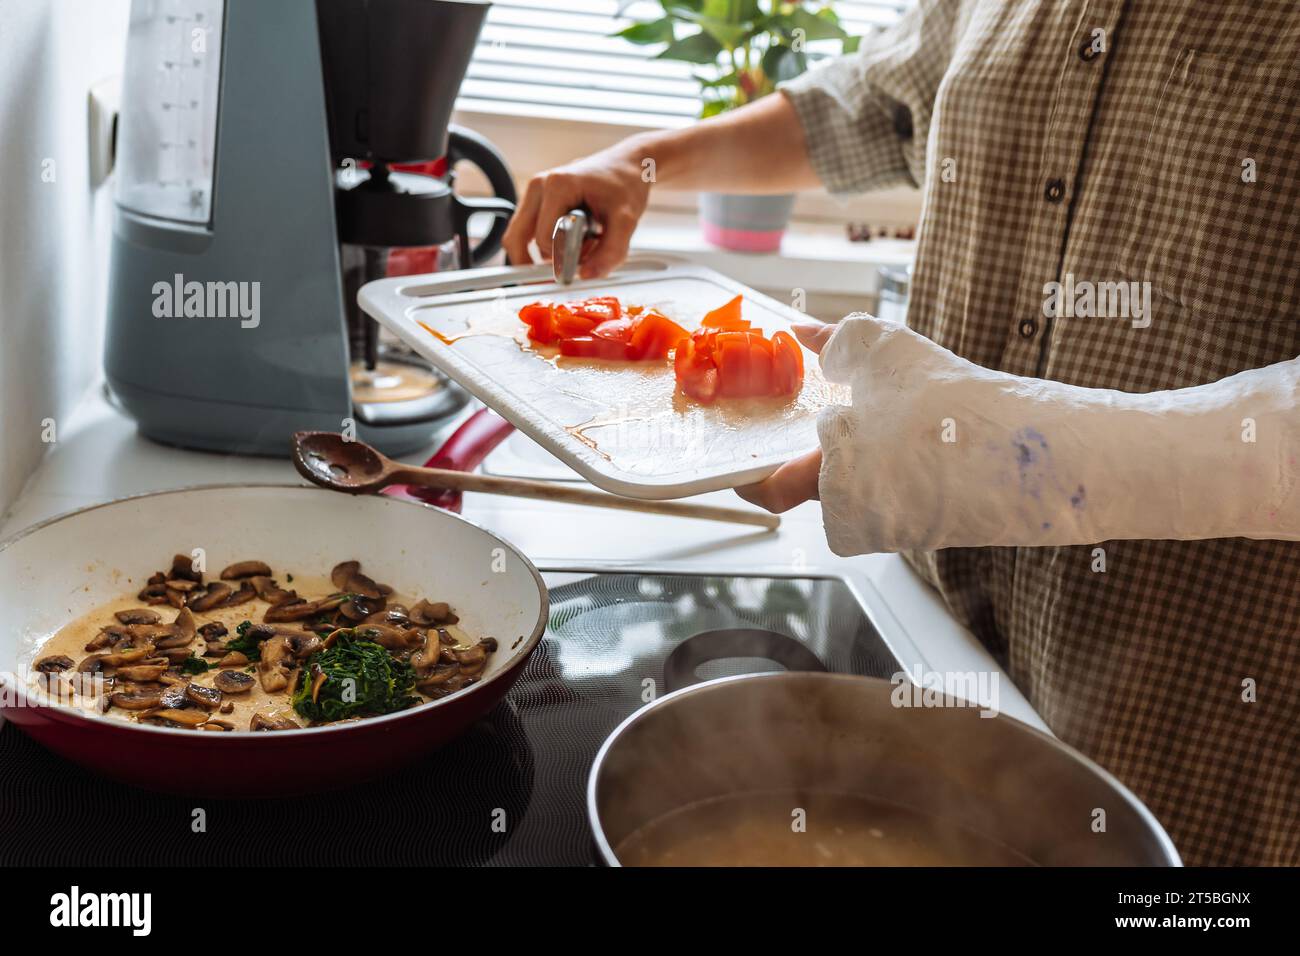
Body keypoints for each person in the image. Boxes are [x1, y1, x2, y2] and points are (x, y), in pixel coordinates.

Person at [502, 0, 1300, 866]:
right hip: (933, 623)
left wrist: (1006, 456)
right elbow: (872, 104)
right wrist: (643, 161)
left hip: (1196, 712)